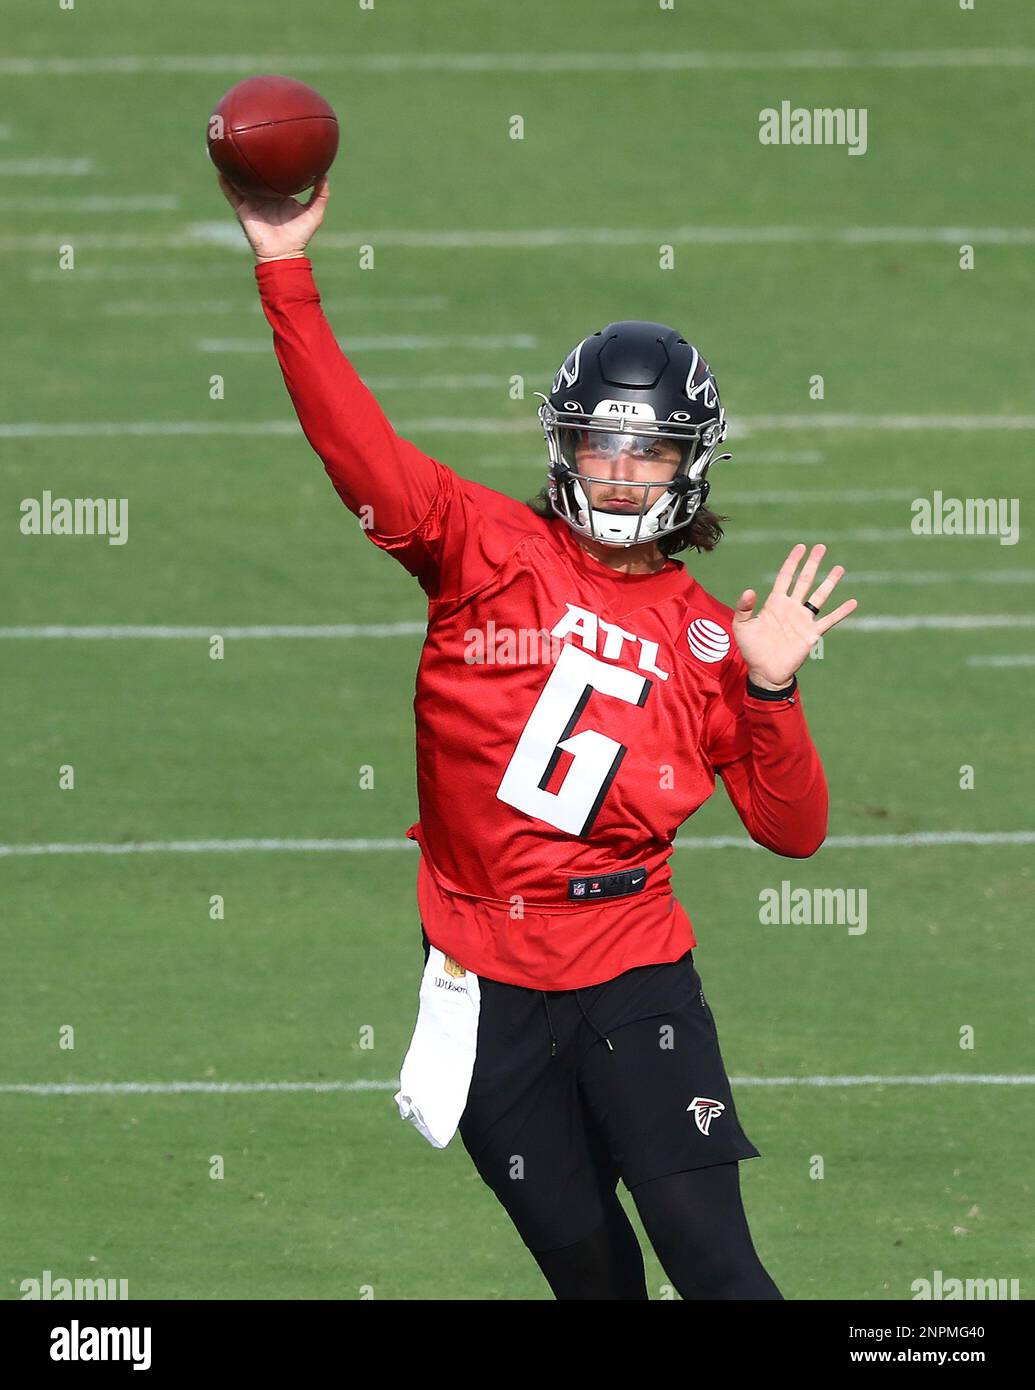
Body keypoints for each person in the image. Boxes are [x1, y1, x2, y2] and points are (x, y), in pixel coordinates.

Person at [218, 172, 858, 1300]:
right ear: (562, 447)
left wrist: (771, 691)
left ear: (687, 465)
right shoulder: (478, 548)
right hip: (480, 973)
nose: (618, 473)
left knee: (715, 1263)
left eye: (646, 452)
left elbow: (795, 833)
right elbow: (352, 444)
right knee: (591, 1276)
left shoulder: (714, 642)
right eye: (600, 446)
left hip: (633, 974)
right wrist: (283, 263)